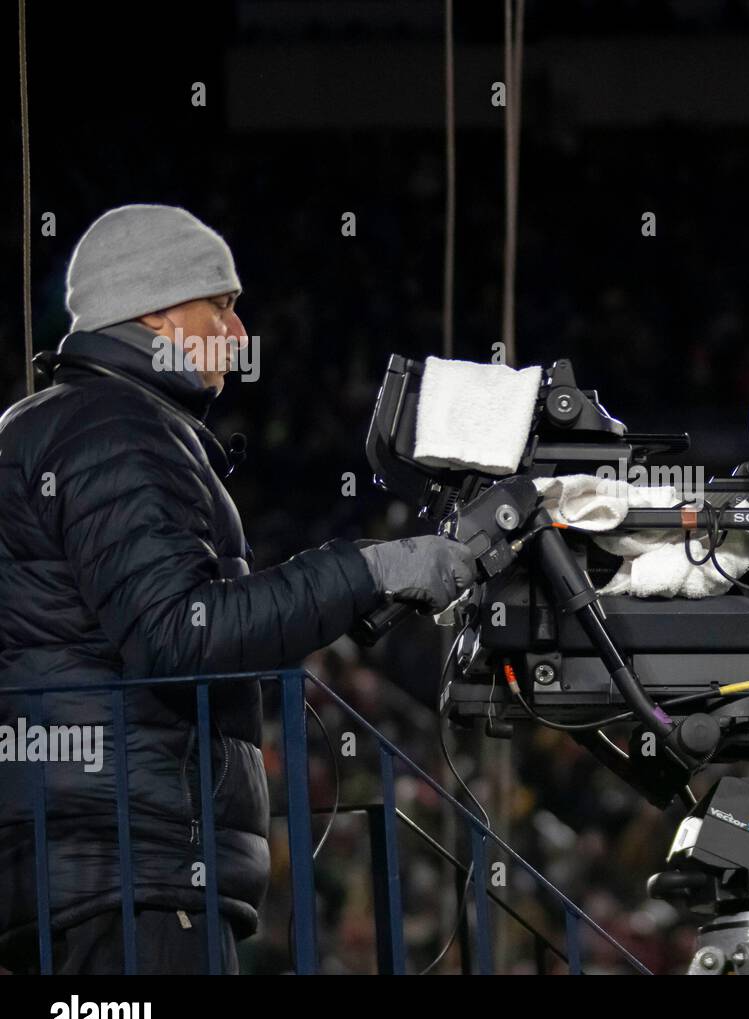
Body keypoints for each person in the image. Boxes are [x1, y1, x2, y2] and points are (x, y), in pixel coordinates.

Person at [0, 204, 474, 974]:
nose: (240, 328)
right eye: (220, 303)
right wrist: (371, 569)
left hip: (94, 871)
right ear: (154, 309)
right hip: (132, 876)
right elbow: (180, 633)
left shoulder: (82, 424)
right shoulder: (114, 428)